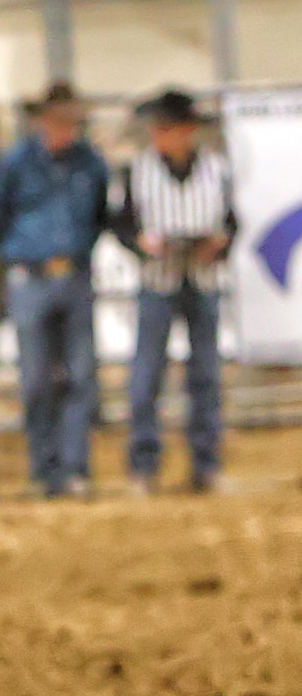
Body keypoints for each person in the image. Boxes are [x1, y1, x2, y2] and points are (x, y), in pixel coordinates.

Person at [0, 81, 110, 498]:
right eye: (59, 121)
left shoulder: (91, 164)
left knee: (79, 376)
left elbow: (97, 216)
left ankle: (73, 467)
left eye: (71, 122)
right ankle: (45, 469)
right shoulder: (15, 164)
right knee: (37, 379)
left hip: (72, 273)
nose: (65, 129)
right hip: (32, 274)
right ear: (42, 121)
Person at [115, 88, 235, 494]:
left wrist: (218, 243)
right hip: (159, 278)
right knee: (147, 374)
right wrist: (142, 245)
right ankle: (145, 464)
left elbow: (233, 221)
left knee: (204, 373)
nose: (159, 136)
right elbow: (123, 224)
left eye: (166, 128)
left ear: (186, 132)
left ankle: (206, 462)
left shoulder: (215, 170)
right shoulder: (139, 170)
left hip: (201, 278)